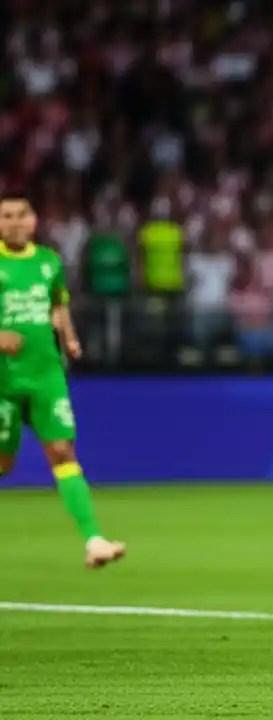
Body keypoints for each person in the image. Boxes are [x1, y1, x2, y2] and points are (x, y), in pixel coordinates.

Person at [0, 190, 126, 568]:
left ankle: (94, 540)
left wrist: (68, 337)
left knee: (63, 452)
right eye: (6, 216)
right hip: (4, 382)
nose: (15, 222)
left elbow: (58, 305)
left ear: (34, 220)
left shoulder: (48, 262)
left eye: (22, 215)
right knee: (3, 464)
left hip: (45, 375)